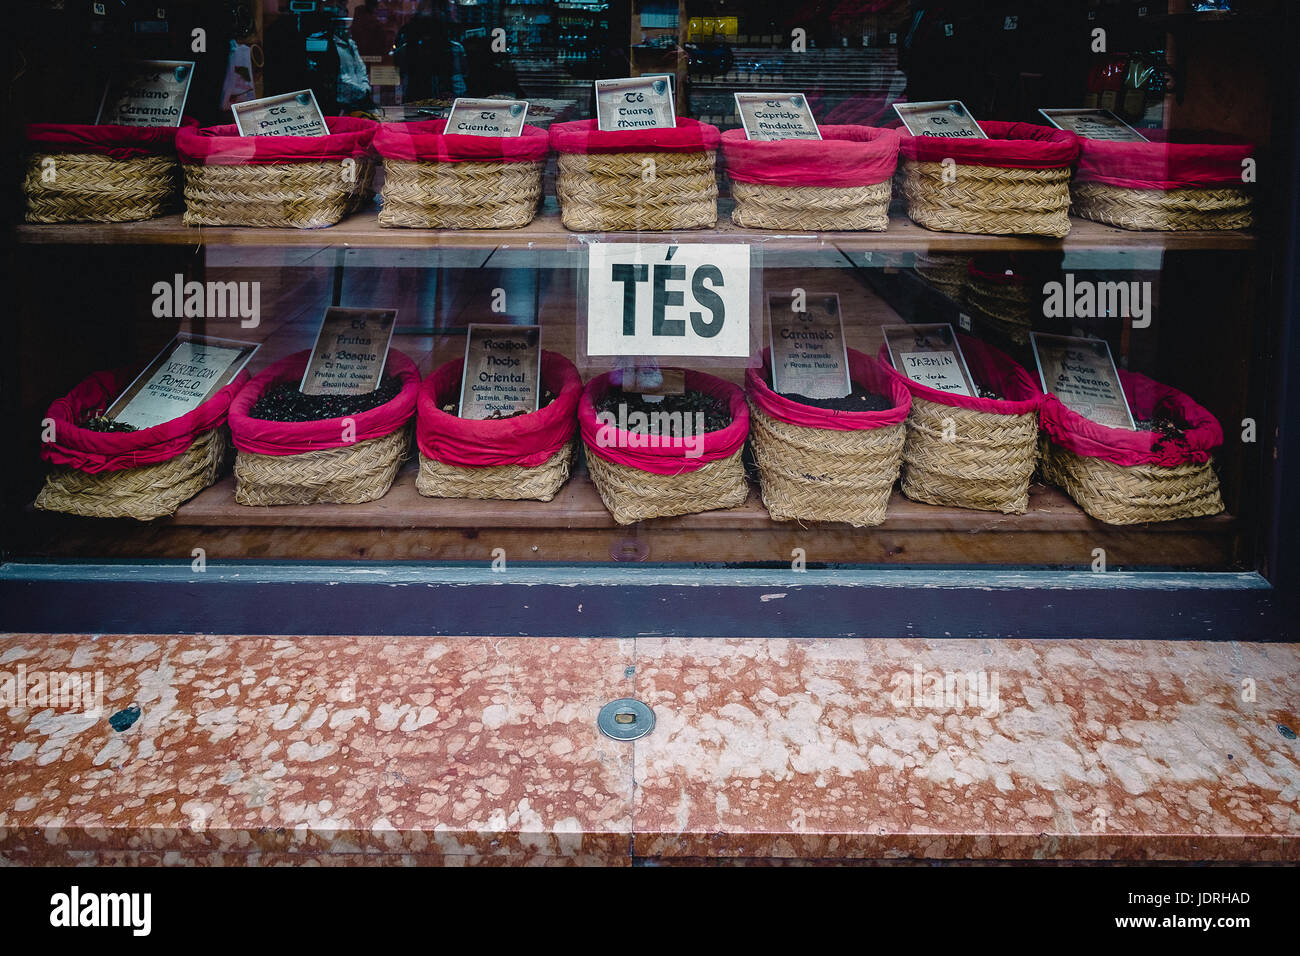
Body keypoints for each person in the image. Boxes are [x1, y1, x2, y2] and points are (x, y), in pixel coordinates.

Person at [393, 0, 467, 103]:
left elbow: (457, 80)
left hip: (440, 99)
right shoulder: (407, 50)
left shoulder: (454, 49)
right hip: (416, 100)